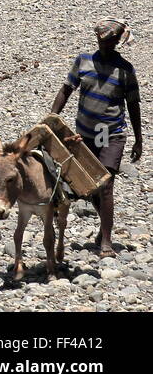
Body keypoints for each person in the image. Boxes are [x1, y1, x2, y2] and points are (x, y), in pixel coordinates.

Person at [51, 18, 143, 259]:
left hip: (110, 134)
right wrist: (51, 117)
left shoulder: (125, 70)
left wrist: (138, 138)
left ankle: (106, 241)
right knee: (87, 186)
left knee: (105, 184)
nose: (105, 44)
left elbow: (133, 104)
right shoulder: (83, 61)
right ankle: (105, 226)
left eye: (111, 41)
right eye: (103, 41)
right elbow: (66, 90)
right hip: (84, 134)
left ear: (116, 42)